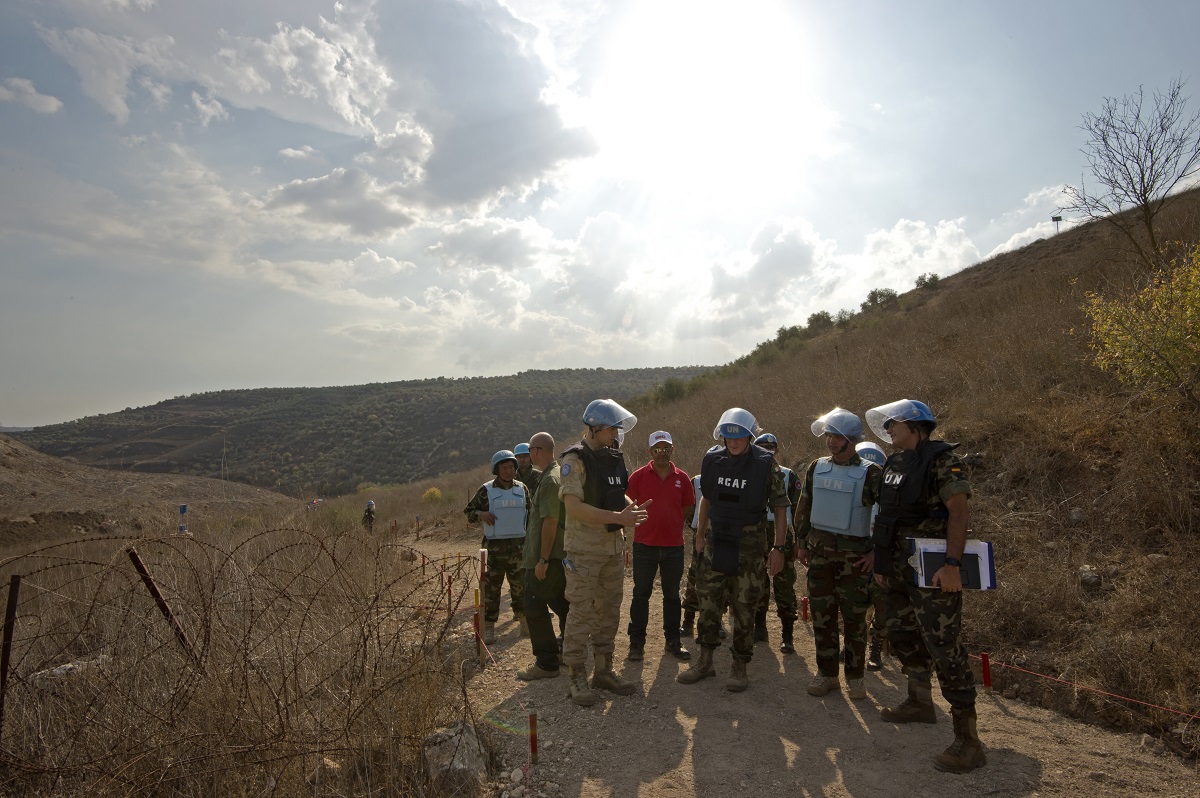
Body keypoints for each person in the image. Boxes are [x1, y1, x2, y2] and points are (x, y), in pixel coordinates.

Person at [866, 398, 985, 773]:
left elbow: (959, 511)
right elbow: (887, 514)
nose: (888, 430)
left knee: (944, 647)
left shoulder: (941, 460)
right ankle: (919, 702)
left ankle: (968, 740)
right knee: (901, 634)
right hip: (899, 569)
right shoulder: (895, 462)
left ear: (916, 425)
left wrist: (952, 564)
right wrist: (883, 564)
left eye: (894, 424)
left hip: (933, 570)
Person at [678, 408, 789, 692]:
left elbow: (779, 507)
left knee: (744, 606)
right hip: (716, 543)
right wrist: (700, 535)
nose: (734, 442)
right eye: (728, 437)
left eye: (739, 436)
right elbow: (707, 501)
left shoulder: (766, 464)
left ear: (750, 436)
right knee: (709, 602)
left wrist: (778, 547)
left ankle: (739, 666)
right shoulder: (713, 460)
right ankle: (705, 661)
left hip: (749, 546)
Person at [559, 399, 650, 706]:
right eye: (612, 429)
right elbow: (573, 506)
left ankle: (603, 670)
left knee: (609, 610)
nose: (616, 434)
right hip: (584, 550)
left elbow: (615, 491)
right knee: (581, 612)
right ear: (595, 428)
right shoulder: (575, 459)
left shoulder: (612, 458)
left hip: (612, 548)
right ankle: (575, 674)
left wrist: (629, 507)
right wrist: (618, 518)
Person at [794, 408, 882, 701]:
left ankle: (856, 679)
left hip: (855, 560)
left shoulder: (871, 472)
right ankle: (827, 674)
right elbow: (804, 506)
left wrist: (876, 554)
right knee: (822, 617)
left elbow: (885, 517)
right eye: (829, 435)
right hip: (820, 557)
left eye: (838, 436)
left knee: (855, 621)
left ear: (852, 440)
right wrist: (802, 543)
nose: (831, 441)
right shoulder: (817, 467)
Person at [625, 430, 695, 662]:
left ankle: (673, 641)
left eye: (666, 448)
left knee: (672, 595)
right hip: (644, 545)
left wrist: (671, 523)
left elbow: (686, 508)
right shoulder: (638, 476)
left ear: (672, 450)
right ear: (651, 452)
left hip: (674, 546)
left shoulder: (682, 478)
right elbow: (628, 505)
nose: (662, 453)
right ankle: (636, 644)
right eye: (657, 449)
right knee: (641, 594)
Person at [516, 432, 570, 681]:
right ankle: (568, 651)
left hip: (546, 557)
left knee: (535, 606)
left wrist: (543, 560)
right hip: (555, 556)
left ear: (537, 451)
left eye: (529, 451)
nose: (528, 455)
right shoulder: (556, 474)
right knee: (561, 603)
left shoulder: (549, 480)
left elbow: (550, 521)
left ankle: (547, 663)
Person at [463, 450, 530, 645]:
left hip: (519, 548)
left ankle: (524, 621)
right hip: (494, 550)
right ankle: (489, 625)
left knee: (521, 587)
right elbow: (469, 512)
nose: (509, 471)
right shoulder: (486, 490)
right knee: (491, 589)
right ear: (496, 470)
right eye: (504, 468)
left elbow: (530, 513)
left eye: (511, 467)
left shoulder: (523, 489)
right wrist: (481, 515)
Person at [751, 433, 801, 654]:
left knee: (784, 584)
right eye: (763, 447)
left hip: (782, 535)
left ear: (777, 450)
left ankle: (787, 635)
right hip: (757, 532)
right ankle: (760, 627)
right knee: (758, 582)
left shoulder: (789, 475)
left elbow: (799, 511)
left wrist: (800, 541)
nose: (768, 450)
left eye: (771, 447)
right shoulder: (751, 473)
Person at [856, 440, 890, 671]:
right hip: (855, 554)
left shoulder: (889, 496)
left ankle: (875, 648)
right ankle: (853, 645)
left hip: (880, 556)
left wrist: (877, 553)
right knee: (853, 604)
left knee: (882, 606)